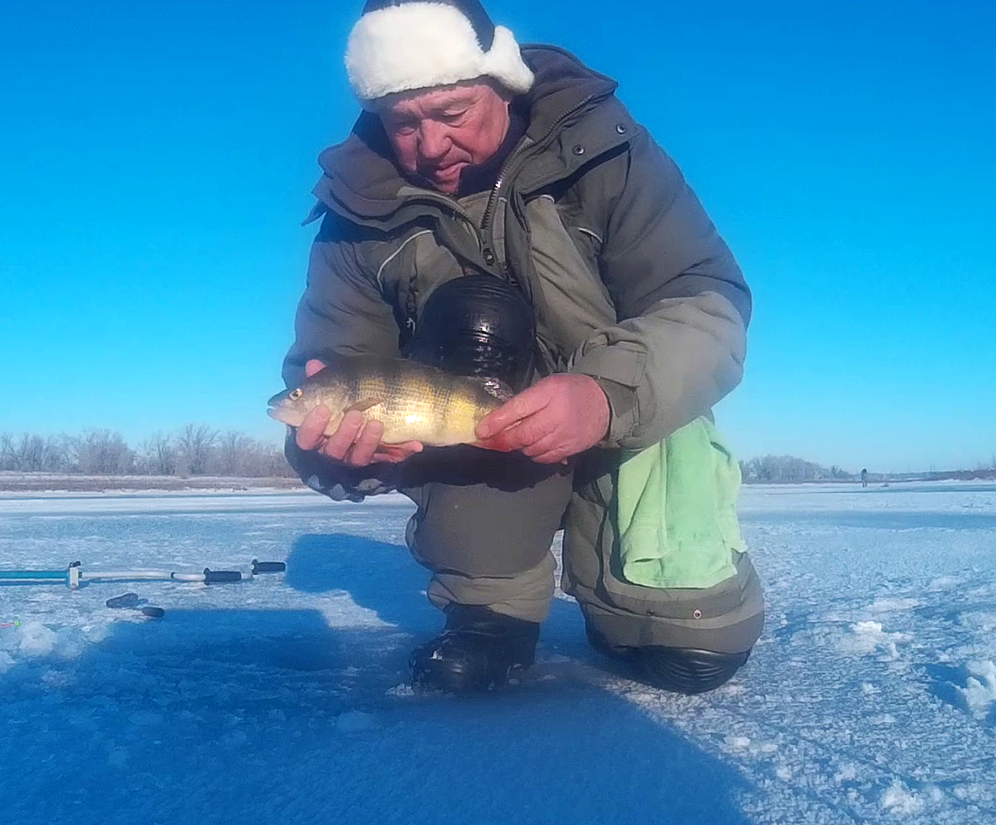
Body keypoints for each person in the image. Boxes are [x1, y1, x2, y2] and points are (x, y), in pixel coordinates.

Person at [281, 0, 764, 694]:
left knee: (691, 656)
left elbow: (708, 303)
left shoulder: (603, 149)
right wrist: (337, 454)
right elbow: (324, 369)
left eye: (451, 113)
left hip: (629, 416)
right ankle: (491, 603)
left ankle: (634, 597)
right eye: (403, 123)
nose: (429, 146)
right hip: (478, 440)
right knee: (475, 326)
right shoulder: (357, 214)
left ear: (500, 82)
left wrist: (603, 395)